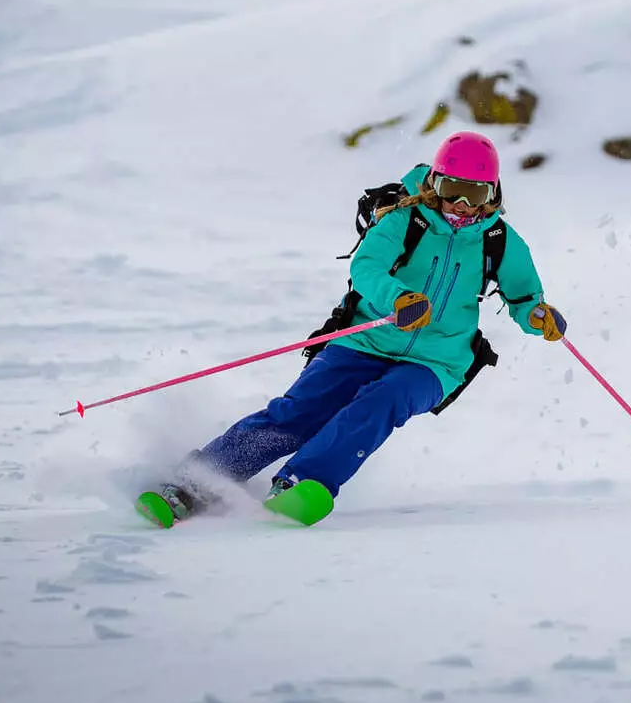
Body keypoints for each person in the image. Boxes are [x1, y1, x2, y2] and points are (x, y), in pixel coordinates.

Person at [148, 131, 566, 524]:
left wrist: (537, 317)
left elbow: (523, 297)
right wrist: (397, 298)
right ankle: (195, 483)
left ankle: (301, 482)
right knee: (300, 411)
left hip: (438, 361)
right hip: (366, 339)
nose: (460, 203)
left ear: (492, 195)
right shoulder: (405, 220)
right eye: (449, 189)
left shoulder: (500, 241)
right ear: (432, 183)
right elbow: (366, 267)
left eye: (474, 193)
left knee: (383, 399)